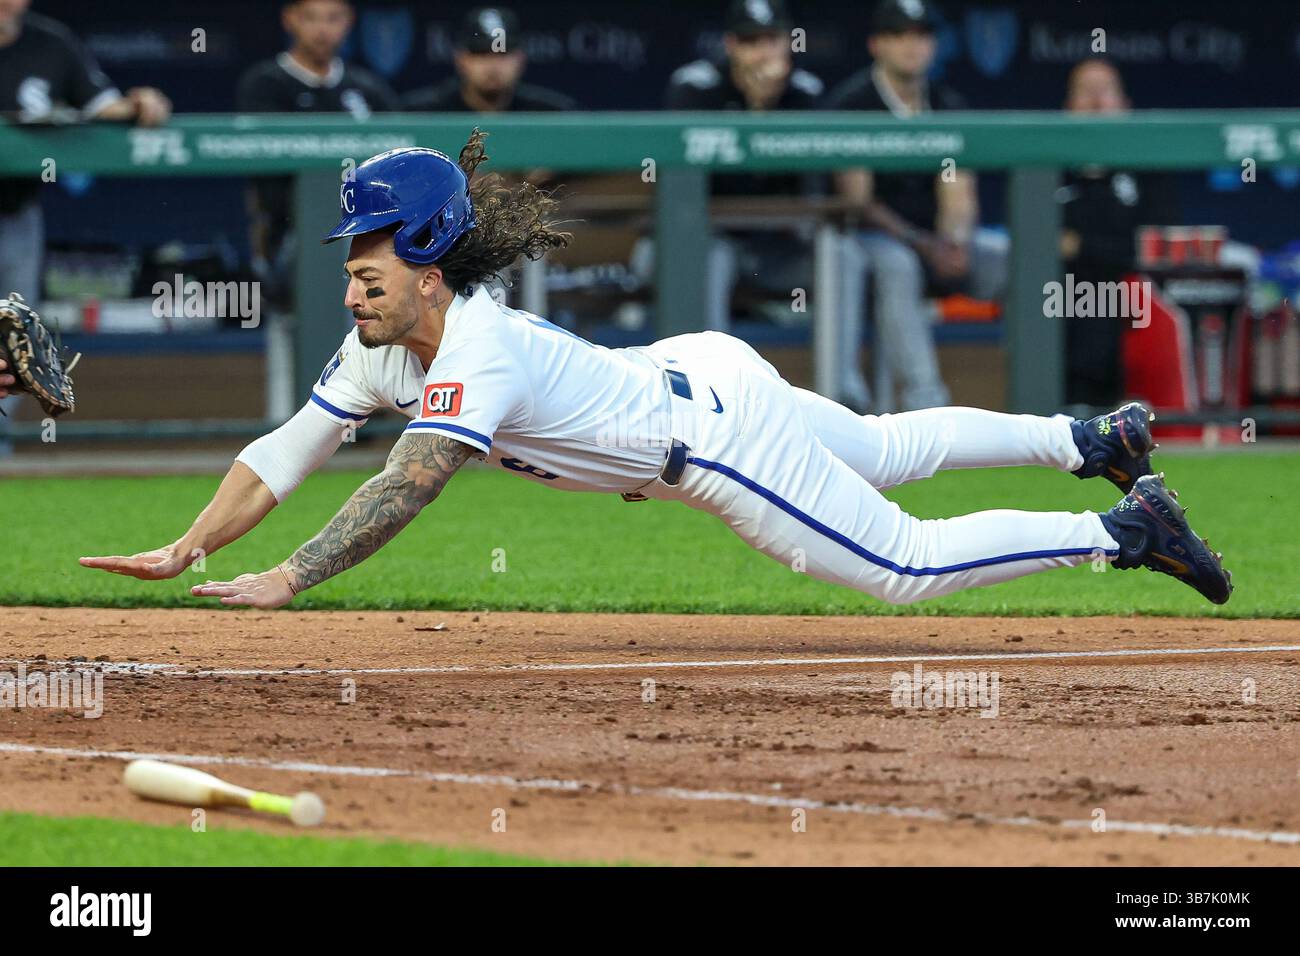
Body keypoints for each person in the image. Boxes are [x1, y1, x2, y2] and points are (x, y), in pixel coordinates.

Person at [79, 131, 1233, 610]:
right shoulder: (383, 345)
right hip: (692, 365)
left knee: (904, 564)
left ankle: (1124, 525)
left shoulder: (470, 345)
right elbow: (288, 451)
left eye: (367, 259)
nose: (349, 281)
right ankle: (1083, 439)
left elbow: (406, 485)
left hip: (712, 440)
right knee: (884, 445)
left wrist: (284, 578)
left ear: (427, 258)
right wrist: (193, 542)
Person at [0, 0, 170, 432]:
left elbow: (101, 105)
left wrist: (139, 102)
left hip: (15, 213)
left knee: (15, 338)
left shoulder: (50, 42)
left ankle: (0, 446)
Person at [828, 0, 1003, 412]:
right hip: (874, 240)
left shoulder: (946, 102)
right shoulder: (853, 103)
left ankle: (1047, 399)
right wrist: (923, 243)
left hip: (936, 240)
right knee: (898, 264)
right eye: (899, 35)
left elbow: (958, 188)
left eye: (921, 35)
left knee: (1011, 258)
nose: (912, 45)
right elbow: (858, 199)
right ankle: (929, 406)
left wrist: (955, 239)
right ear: (876, 44)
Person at [640, 0, 825, 332]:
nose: (763, 53)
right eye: (750, 42)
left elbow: (811, 188)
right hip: (698, 239)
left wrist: (766, 107)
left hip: (773, 248)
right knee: (709, 258)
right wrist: (755, 110)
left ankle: (839, 381)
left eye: (772, 40)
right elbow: (688, 192)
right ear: (730, 45)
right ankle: (708, 377)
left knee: (842, 257)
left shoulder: (804, 92)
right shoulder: (695, 87)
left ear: (788, 42)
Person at [236, 0, 399, 303]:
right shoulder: (265, 85)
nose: (322, 30)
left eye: (333, 18)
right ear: (290, 19)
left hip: (367, 235)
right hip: (291, 232)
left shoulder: (367, 89)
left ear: (348, 21)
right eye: (311, 18)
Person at [1059, 58, 1179, 406]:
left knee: (1120, 293)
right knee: (1074, 295)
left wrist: (1082, 245)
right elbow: (1041, 248)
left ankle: (1154, 414)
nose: (1097, 101)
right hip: (1068, 295)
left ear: (1126, 106)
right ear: (1068, 109)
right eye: (1085, 92)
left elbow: (1156, 247)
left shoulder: (1149, 167)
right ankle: (1071, 414)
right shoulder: (1050, 168)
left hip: (1138, 292)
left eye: (1106, 91)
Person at [404, 8, 574, 113]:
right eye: (482, 54)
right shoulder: (421, 113)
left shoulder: (551, 114)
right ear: (461, 59)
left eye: (502, 54)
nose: (493, 66)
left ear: (520, 59)